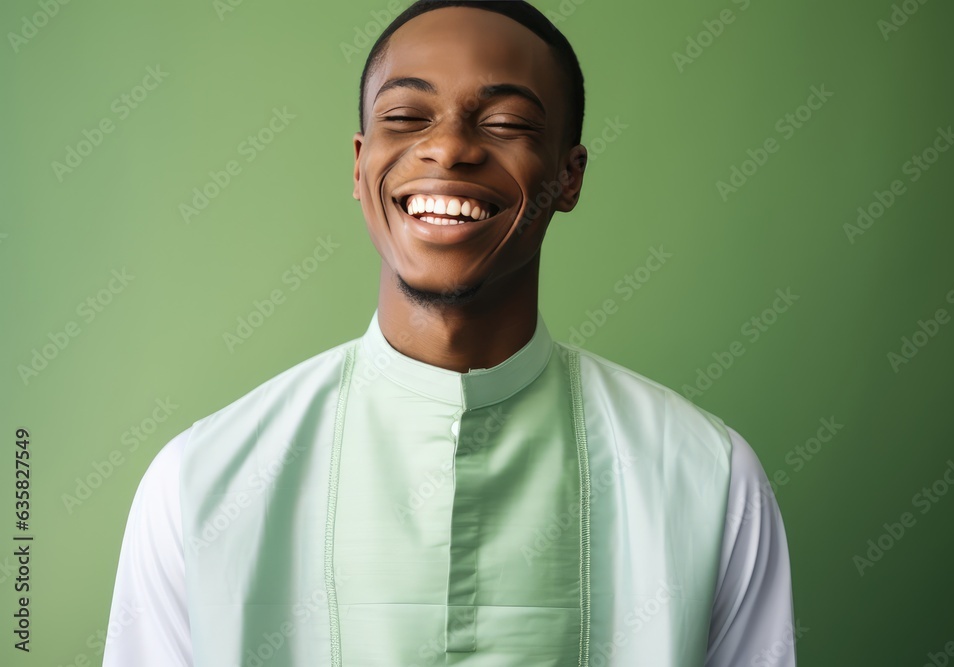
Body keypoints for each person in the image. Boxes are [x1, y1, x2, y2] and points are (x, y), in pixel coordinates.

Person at [103, 1, 797, 665]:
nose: (449, 147)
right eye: (405, 116)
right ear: (359, 161)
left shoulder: (708, 479)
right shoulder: (202, 482)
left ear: (568, 176)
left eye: (505, 122)